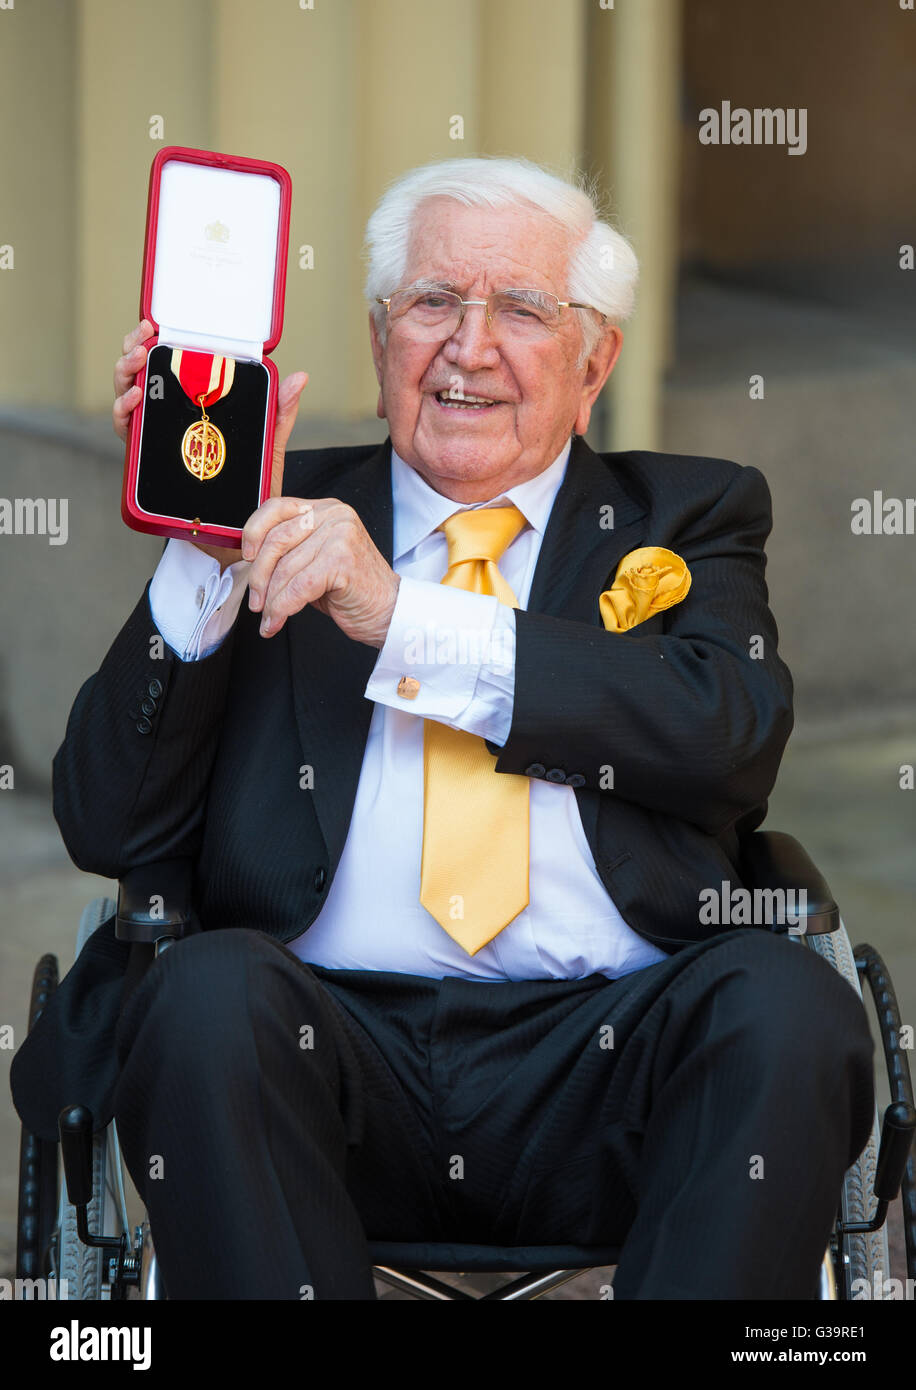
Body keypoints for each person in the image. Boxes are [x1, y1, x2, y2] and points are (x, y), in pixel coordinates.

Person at [11, 156, 874, 1300]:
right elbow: (110, 823)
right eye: (430, 304)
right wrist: (201, 555)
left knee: (786, 1007)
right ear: (379, 343)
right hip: (322, 1069)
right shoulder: (278, 516)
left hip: (612, 1065)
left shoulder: (690, 514)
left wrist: (400, 616)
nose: (469, 347)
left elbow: (727, 737)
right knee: (205, 992)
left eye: (522, 308)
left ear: (594, 359)